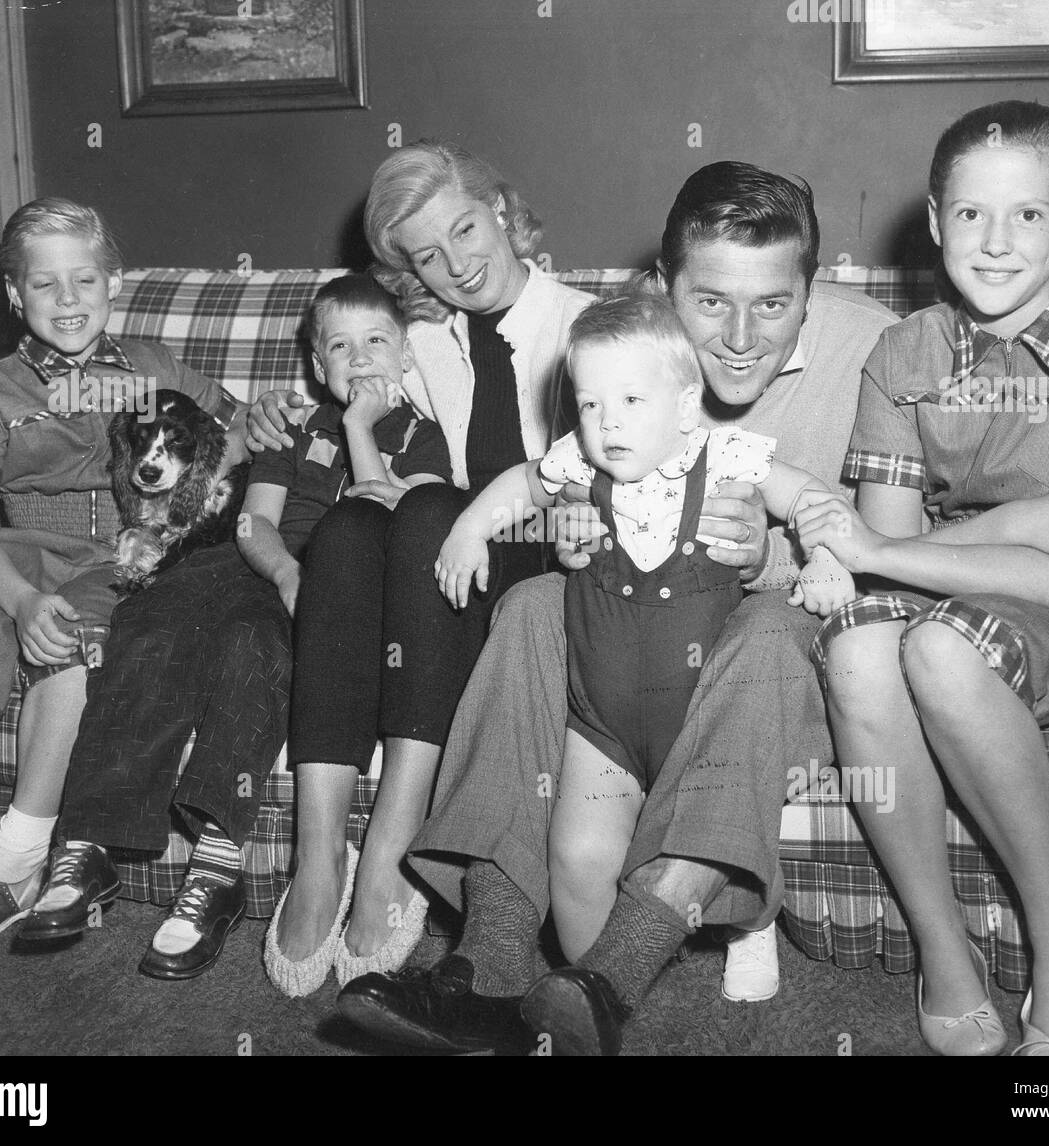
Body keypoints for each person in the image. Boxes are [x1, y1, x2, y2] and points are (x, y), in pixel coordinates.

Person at [334, 162, 899, 1054]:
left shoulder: (877, 350)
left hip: (768, 659)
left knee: (764, 623)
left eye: (774, 304)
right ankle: (485, 967)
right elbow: (558, 488)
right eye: (710, 303)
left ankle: (627, 957)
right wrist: (574, 532)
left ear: (809, 289)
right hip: (626, 652)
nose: (743, 337)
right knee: (530, 607)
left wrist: (778, 559)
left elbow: (890, 546)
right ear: (663, 291)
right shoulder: (618, 359)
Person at [798, 101, 1049, 1056]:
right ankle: (946, 952)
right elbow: (887, 540)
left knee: (941, 647)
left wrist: (894, 552)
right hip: (945, 576)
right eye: (971, 214)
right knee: (856, 649)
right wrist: (1020, 520)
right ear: (935, 222)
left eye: (1028, 214)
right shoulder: (904, 354)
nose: (998, 243)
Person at [15, 274, 448, 980]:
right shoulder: (295, 429)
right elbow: (256, 521)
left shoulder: (422, 438)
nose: (361, 359)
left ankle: (215, 867)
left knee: (256, 648)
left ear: (407, 355)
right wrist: (283, 573)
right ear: (316, 365)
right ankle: (87, 839)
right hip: (263, 567)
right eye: (341, 347)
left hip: (345, 600)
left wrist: (361, 428)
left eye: (378, 343)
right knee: (153, 618)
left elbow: (386, 515)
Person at [252, 141, 594, 996]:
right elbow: (340, 390)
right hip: (430, 567)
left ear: (506, 214)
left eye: (466, 231)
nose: (456, 266)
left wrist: (473, 514)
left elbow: (617, 493)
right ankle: (321, 853)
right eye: (426, 256)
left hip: (549, 564)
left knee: (434, 508)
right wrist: (253, 416)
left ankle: (393, 853)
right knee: (346, 529)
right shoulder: (422, 341)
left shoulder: (589, 327)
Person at [436, 291, 854, 960]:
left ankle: (709, 931)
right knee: (576, 859)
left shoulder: (723, 459)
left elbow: (807, 494)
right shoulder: (579, 462)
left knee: (702, 830)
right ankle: (589, 1001)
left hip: (702, 721)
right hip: (602, 726)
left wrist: (827, 556)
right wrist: (469, 527)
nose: (607, 424)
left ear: (685, 405)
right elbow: (525, 482)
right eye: (591, 403)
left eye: (632, 401)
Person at [0, 198, 244, 954]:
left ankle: (17, 862)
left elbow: (233, 428)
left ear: (112, 282)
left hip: (119, 554)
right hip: (14, 549)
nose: (67, 301)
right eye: (44, 285)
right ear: (15, 295)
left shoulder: (154, 367)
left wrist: (207, 497)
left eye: (83, 280)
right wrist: (18, 599)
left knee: (71, 642)